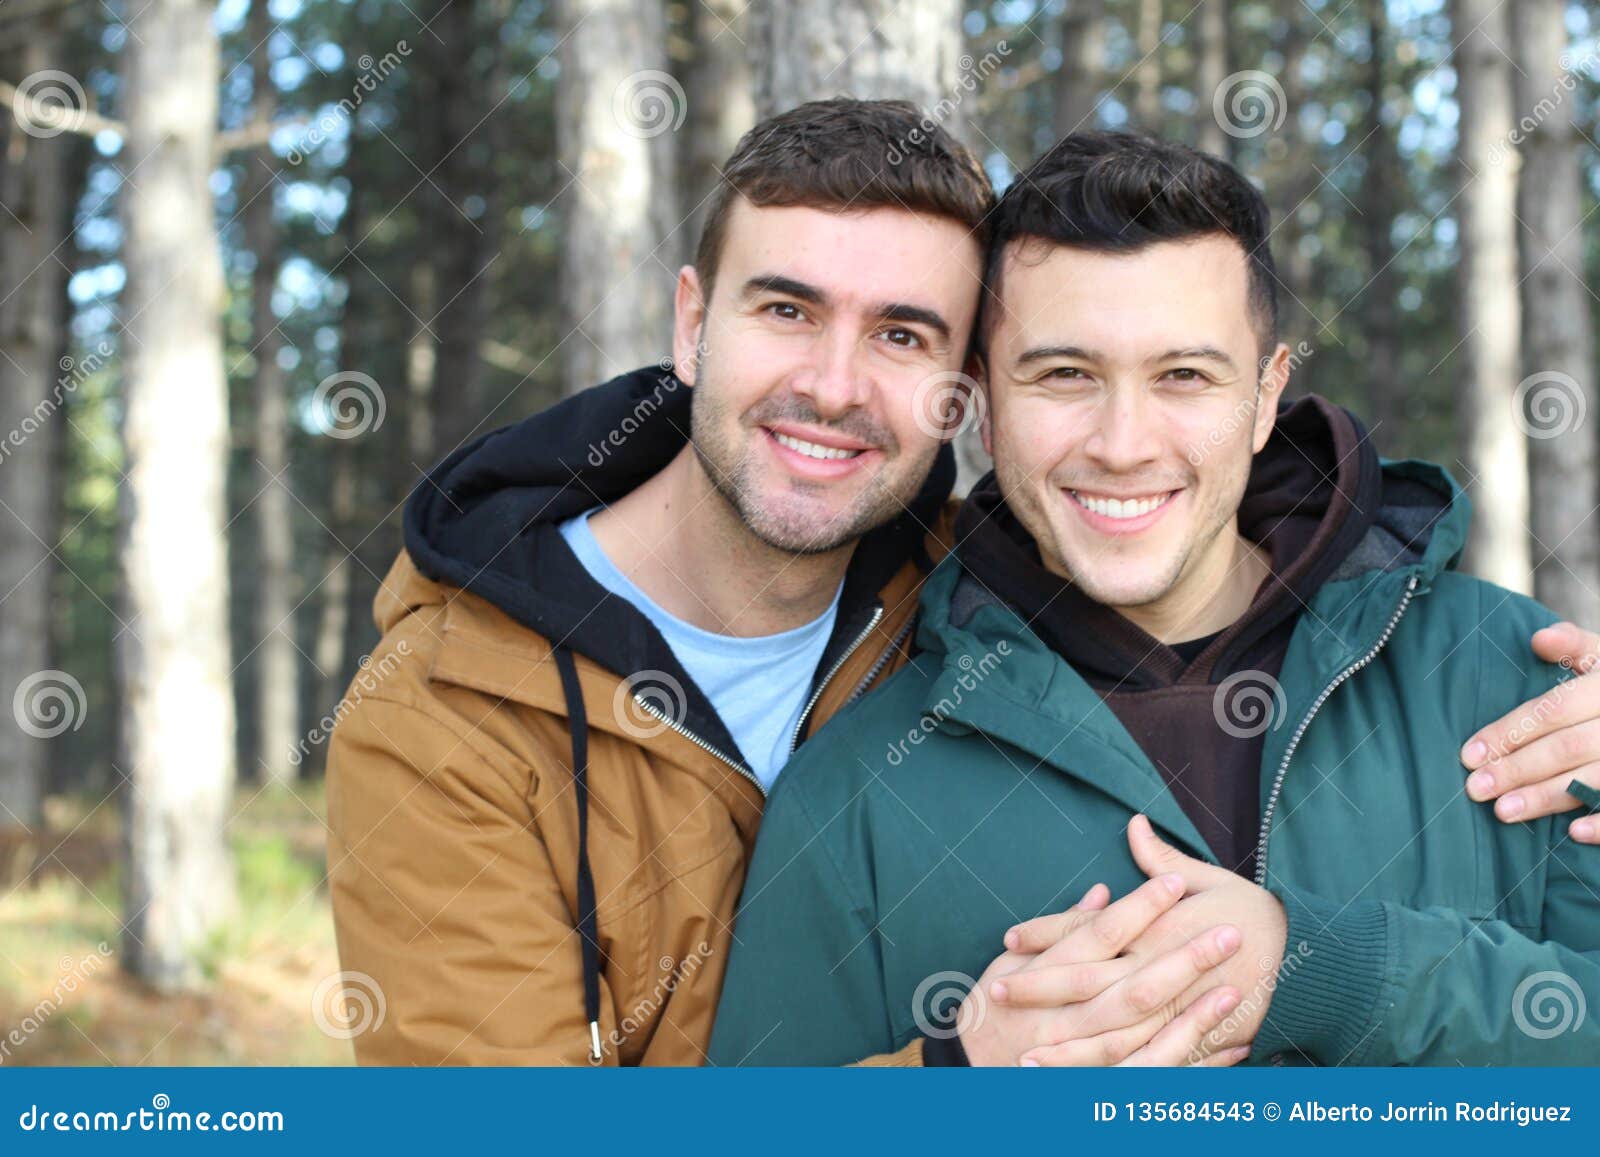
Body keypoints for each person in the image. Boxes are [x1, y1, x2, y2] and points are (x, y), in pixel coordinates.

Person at [707, 131, 1600, 1067]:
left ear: (1265, 395)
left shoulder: (1519, 684)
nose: (1123, 443)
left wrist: (1335, 974)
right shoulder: (857, 786)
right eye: (1065, 375)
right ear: (980, 400)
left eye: (1183, 375)